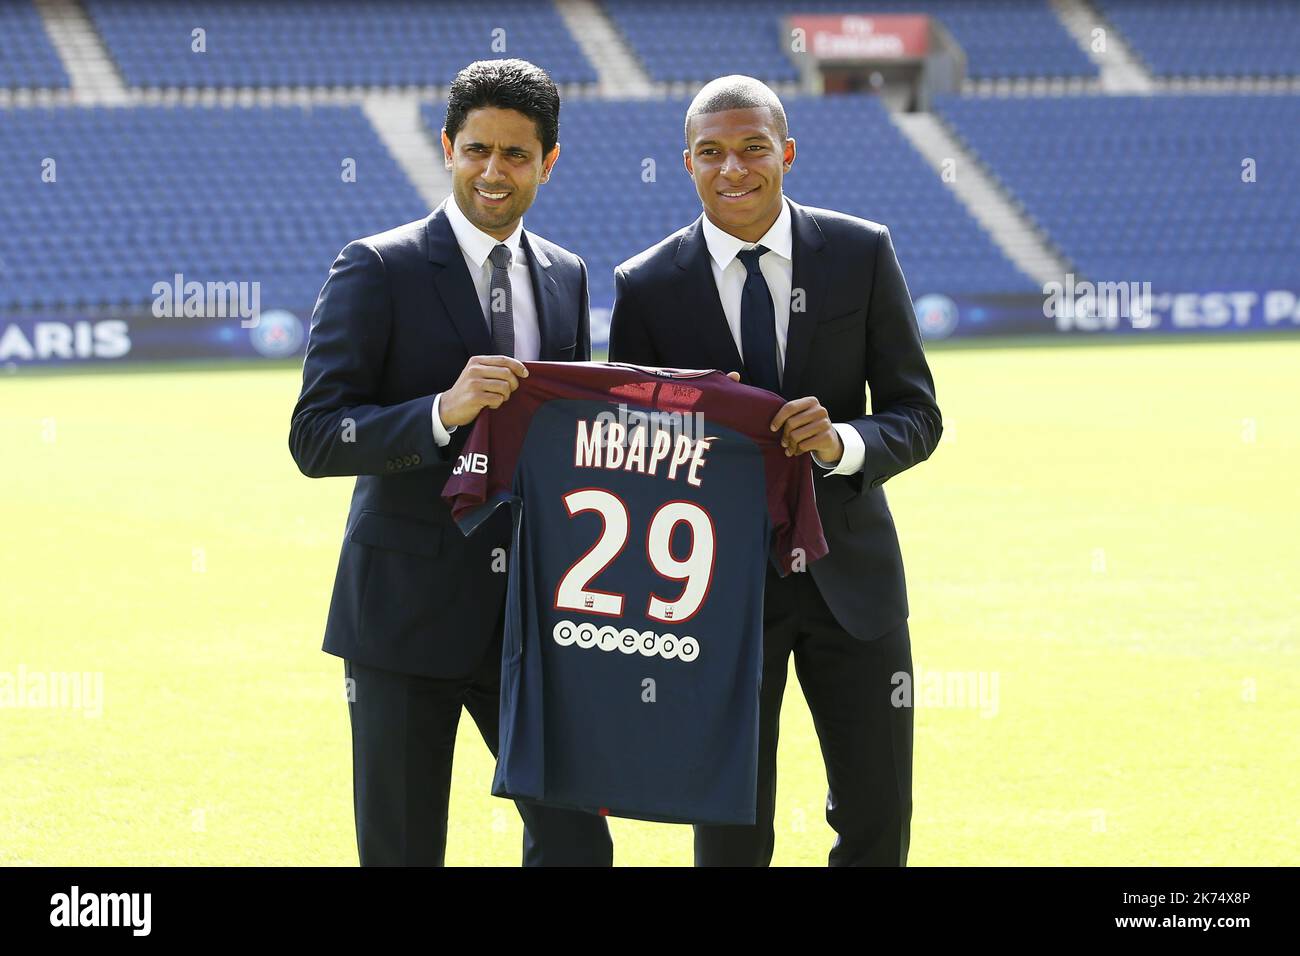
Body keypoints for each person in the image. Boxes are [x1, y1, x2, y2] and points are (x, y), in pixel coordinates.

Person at [608, 75, 942, 866]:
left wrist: (841, 445)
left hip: (851, 583)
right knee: (728, 833)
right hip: (713, 595)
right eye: (711, 152)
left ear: (786, 151)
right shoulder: (646, 285)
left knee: (877, 817)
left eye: (753, 148)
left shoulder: (861, 252)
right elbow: (634, 449)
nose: (735, 169)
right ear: (685, 163)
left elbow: (917, 414)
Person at [289, 58, 612, 866]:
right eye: (477, 150)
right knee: (402, 851)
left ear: (549, 162)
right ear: (447, 148)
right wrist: (441, 413)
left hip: (532, 622)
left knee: (579, 845)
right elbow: (317, 435)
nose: (493, 172)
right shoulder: (378, 267)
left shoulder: (567, 276)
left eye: (514, 154)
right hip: (404, 620)